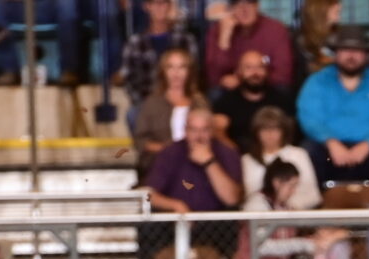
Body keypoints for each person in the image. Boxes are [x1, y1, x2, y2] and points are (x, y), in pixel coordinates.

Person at [296, 25, 369, 187]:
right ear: (336, 53)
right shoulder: (317, 82)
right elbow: (309, 119)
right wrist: (331, 142)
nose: (351, 56)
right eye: (345, 50)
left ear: (366, 54)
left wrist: (368, 145)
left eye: (357, 50)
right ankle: (313, 208)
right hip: (328, 150)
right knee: (306, 152)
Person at [143, 107, 243, 259]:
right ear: (185, 130)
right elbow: (149, 194)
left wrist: (210, 162)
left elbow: (232, 198)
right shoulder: (170, 153)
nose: (198, 136)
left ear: (212, 131)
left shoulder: (227, 153)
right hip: (174, 222)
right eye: (193, 130)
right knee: (147, 227)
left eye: (204, 130)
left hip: (213, 225)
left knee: (230, 225)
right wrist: (176, 206)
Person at [119, 0, 198, 130]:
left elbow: (194, 73)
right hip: (148, 100)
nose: (159, 8)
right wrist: (149, 102)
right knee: (133, 114)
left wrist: (182, 98)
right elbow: (130, 79)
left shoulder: (185, 39)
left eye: (163, 3)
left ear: (169, 6)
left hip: (182, 97)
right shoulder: (135, 42)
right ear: (147, 7)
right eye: (155, 4)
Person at [133, 47, 206, 179]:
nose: (176, 73)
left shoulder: (200, 102)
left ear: (189, 71)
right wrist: (168, 150)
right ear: (163, 71)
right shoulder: (152, 103)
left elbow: (209, 135)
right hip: (161, 161)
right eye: (170, 67)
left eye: (182, 67)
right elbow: (140, 141)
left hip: (195, 160)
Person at [241, 106, 322, 211]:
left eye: (275, 128)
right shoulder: (247, 160)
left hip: (294, 215)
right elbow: (247, 195)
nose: (269, 134)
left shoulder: (298, 154)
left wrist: (288, 208)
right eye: (264, 129)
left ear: (284, 131)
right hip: (259, 215)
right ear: (256, 132)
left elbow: (313, 195)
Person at [205, 0, 293, 95]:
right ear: (230, 9)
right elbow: (213, 78)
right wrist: (225, 38)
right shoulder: (218, 30)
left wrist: (244, 80)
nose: (244, 9)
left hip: (267, 87)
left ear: (257, 5)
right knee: (216, 92)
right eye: (237, 4)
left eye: (249, 3)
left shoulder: (276, 29)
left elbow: (283, 75)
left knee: (282, 90)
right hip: (232, 92)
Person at [214, 50, 292, 145]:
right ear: (238, 71)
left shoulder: (281, 100)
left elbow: (289, 135)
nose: (255, 73)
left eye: (260, 67)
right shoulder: (225, 102)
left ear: (267, 71)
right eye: (249, 68)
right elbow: (219, 137)